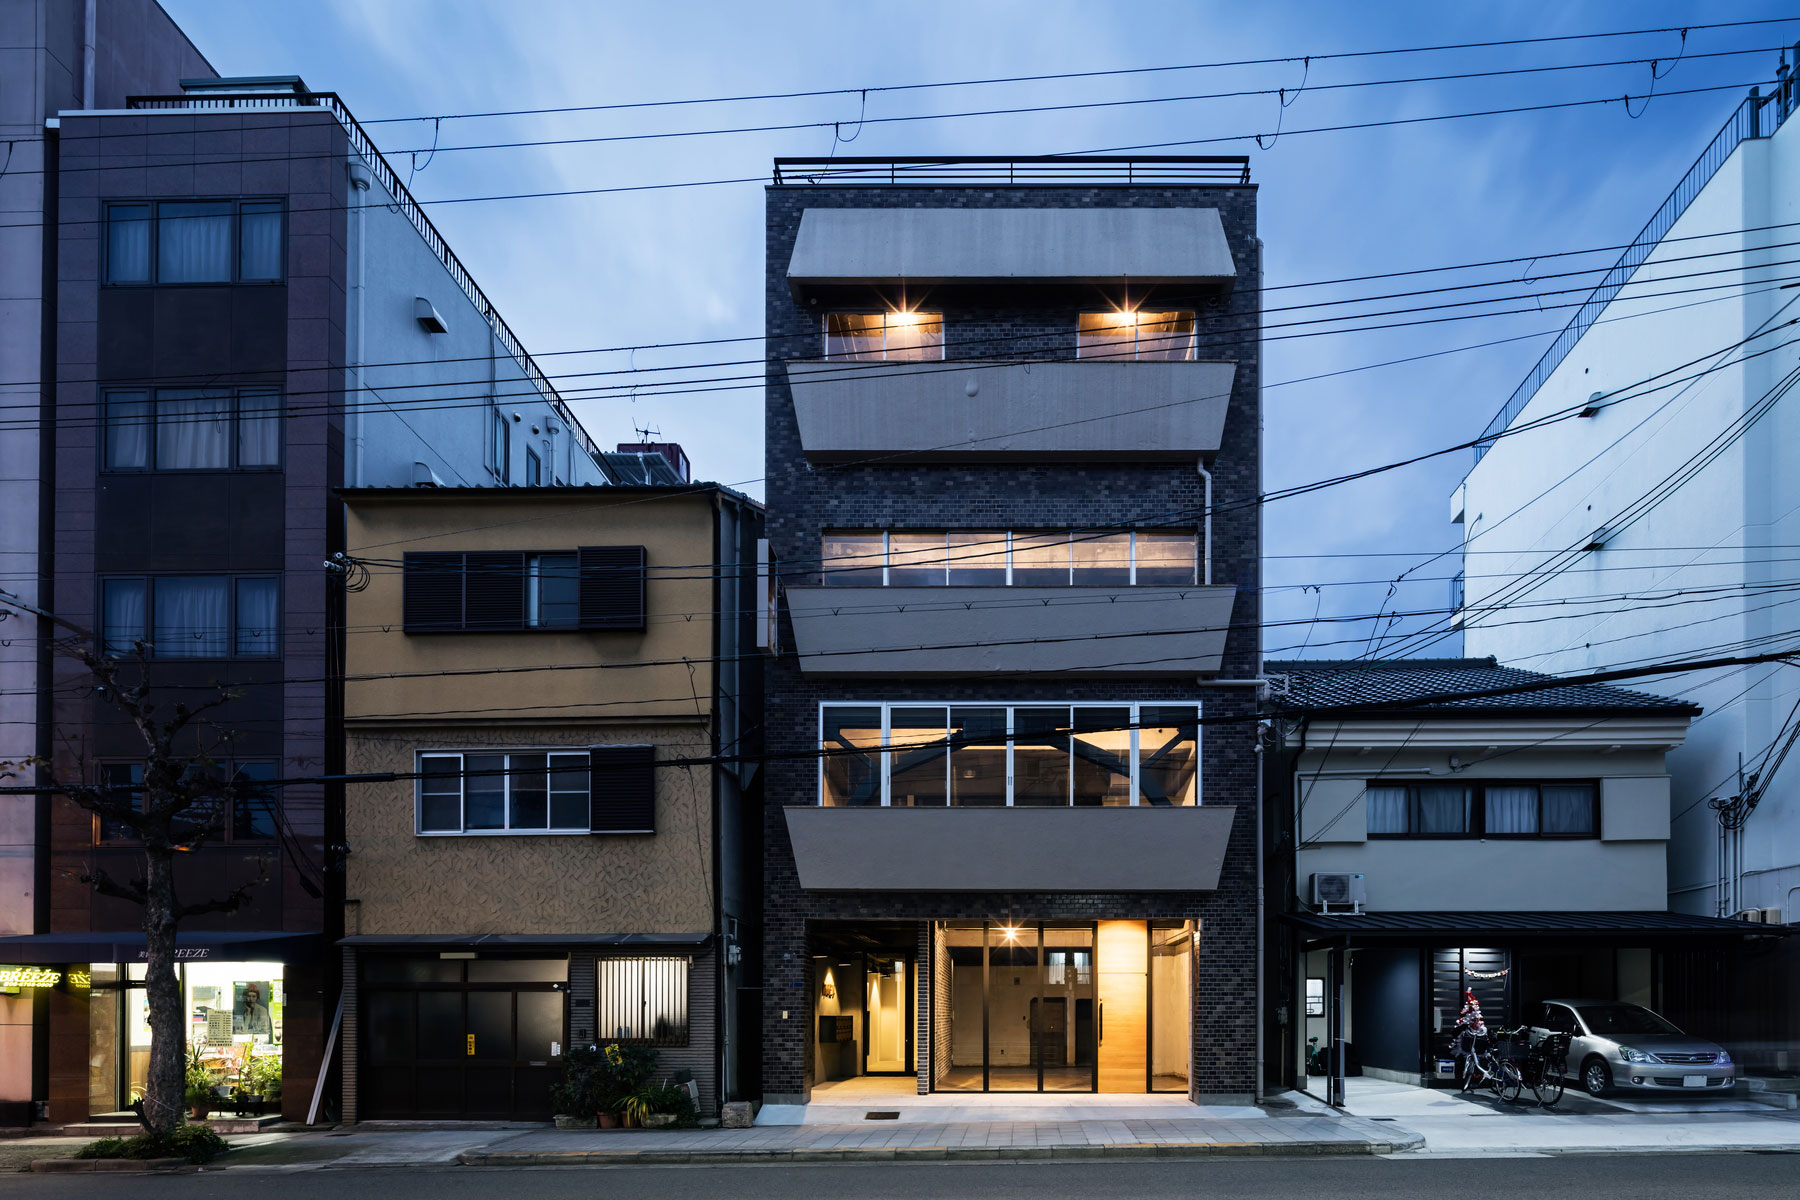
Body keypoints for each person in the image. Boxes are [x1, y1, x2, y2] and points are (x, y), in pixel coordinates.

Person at [1453, 988, 1488, 1089]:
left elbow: (1483, 1031)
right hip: (1468, 1046)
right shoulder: (1466, 1025)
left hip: (1478, 1046)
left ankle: (1478, 1075)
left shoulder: (1481, 1026)